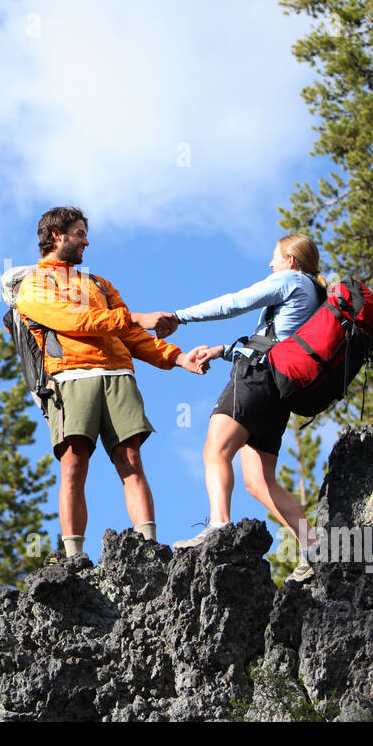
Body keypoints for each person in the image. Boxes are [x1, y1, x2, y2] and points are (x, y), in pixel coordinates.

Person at [15, 206, 209, 557]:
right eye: (79, 234)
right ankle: (75, 557)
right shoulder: (34, 284)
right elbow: (74, 319)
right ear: (56, 234)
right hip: (71, 377)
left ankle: (149, 548)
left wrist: (178, 357)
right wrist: (136, 316)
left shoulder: (99, 284)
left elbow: (131, 333)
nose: (86, 242)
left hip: (118, 375)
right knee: (73, 463)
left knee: (131, 460)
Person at [137, 234, 327, 578]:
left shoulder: (291, 280)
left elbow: (235, 302)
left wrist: (180, 317)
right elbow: (278, 340)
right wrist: (223, 350)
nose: (271, 264)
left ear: (291, 261)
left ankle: (219, 526)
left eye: (275, 257)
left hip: (255, 379)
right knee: (259, 480)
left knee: (216, 449)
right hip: (278, 392)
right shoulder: (312, 293)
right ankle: (313, 548)